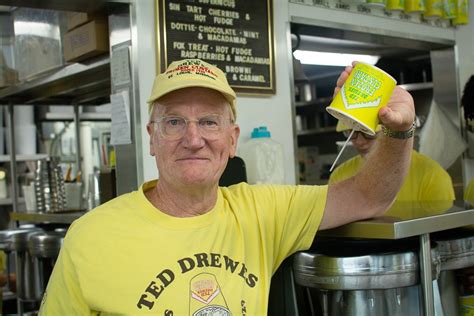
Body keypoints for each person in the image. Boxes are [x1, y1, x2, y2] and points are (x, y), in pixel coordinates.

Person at [39, 59, 415, 315]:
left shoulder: (263, 212)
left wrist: (396, 132)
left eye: (208, 122)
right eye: (173, 122)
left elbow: (370, 195)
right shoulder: (90, 237)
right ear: (151, 138)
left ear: (232, 140)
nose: (193, 139)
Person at [329, 125, 455, 204]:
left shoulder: (432, 175)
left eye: (369, 133)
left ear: (392, 132)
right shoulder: (341, 175)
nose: (360, 142)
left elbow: (440, 233)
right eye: (351, 133)